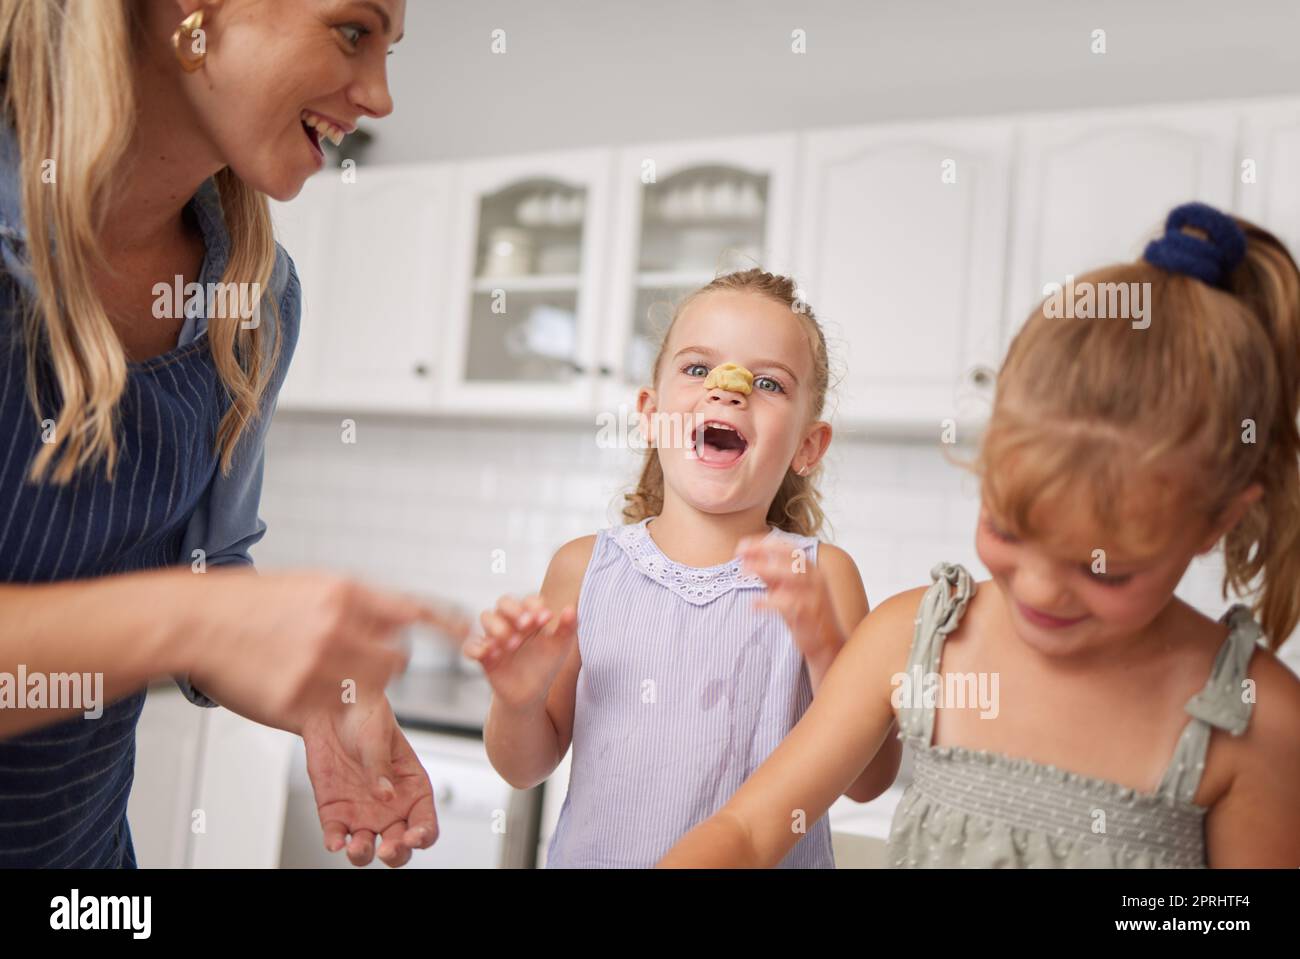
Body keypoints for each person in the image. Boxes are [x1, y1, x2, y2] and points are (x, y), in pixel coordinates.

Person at [661, 204, 1300, 868]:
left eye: (1104, 569)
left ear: (1218, 518)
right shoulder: (912, 639)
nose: (1043, 586)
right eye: (1010, 526)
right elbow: (748, 831)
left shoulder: (1255, 722)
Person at [0, 0, 468, 869]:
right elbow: (197, 609)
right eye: (354, 31)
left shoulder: (251, 302)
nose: (381, 95)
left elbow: (207, 575)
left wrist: (320, 696)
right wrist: (198, 619)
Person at [465, 269, 900, 867]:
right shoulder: (585, 568)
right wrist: (516, 703)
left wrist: (825, 646)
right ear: (651, 411)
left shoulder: (823, 578)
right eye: (698, 369)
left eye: (769, 382)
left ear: (808, 444)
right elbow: (523, 768)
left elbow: (868, 780)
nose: (729, 390)